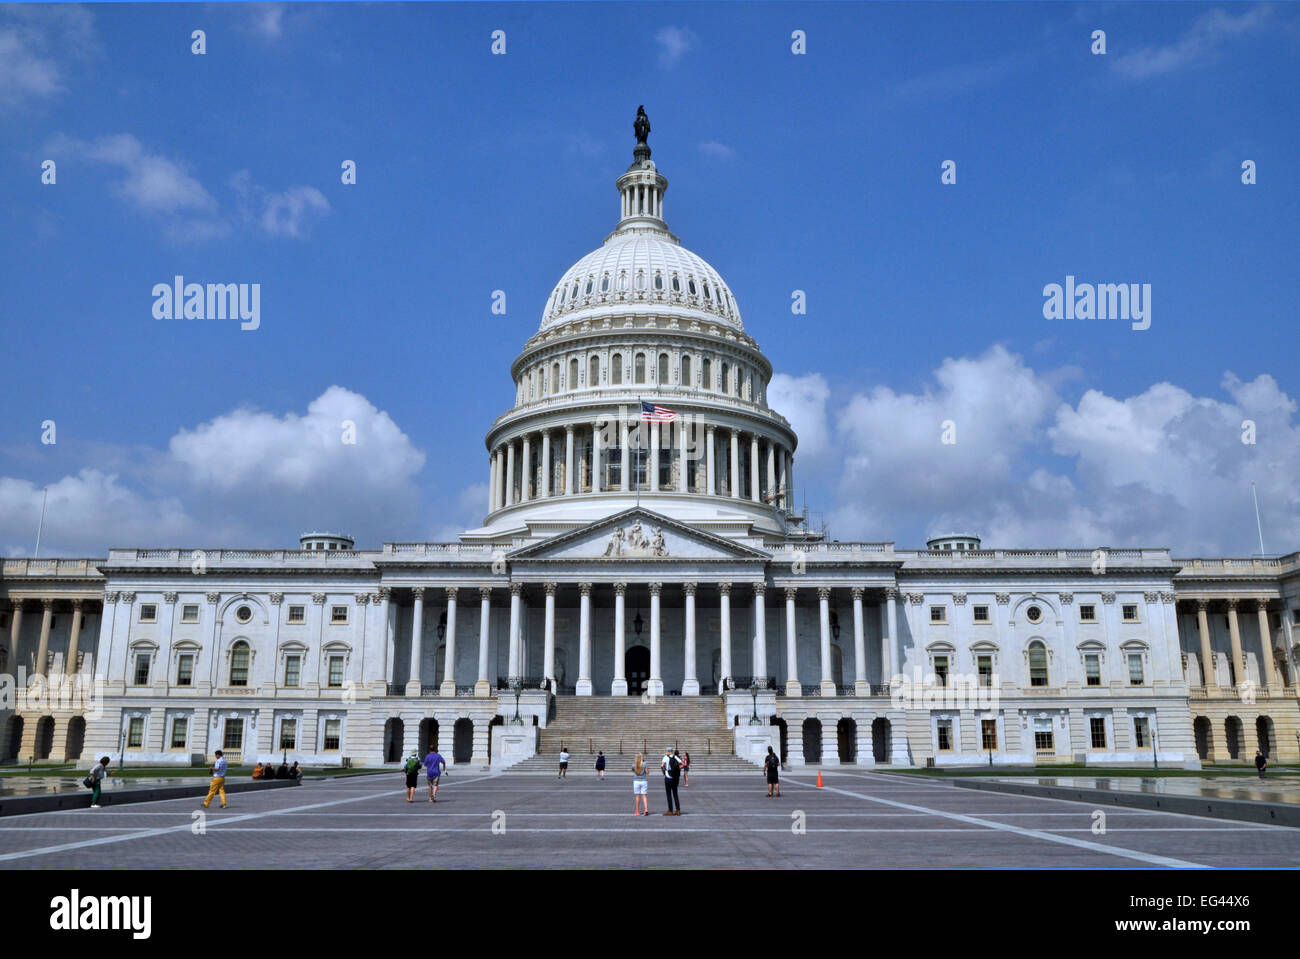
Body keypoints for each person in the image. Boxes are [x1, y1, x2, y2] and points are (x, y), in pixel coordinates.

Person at [661, 747, 682, 815]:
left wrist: (664, 772)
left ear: (667, 751)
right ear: (672, 751)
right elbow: (682, 764)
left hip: (668, 777)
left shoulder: (665, 757)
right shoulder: (675, 757)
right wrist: (677, 770)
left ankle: (670, 811)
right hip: (675, 778)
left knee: (669, 794)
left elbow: (662, 766)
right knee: (675, 794)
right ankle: (678, 810)